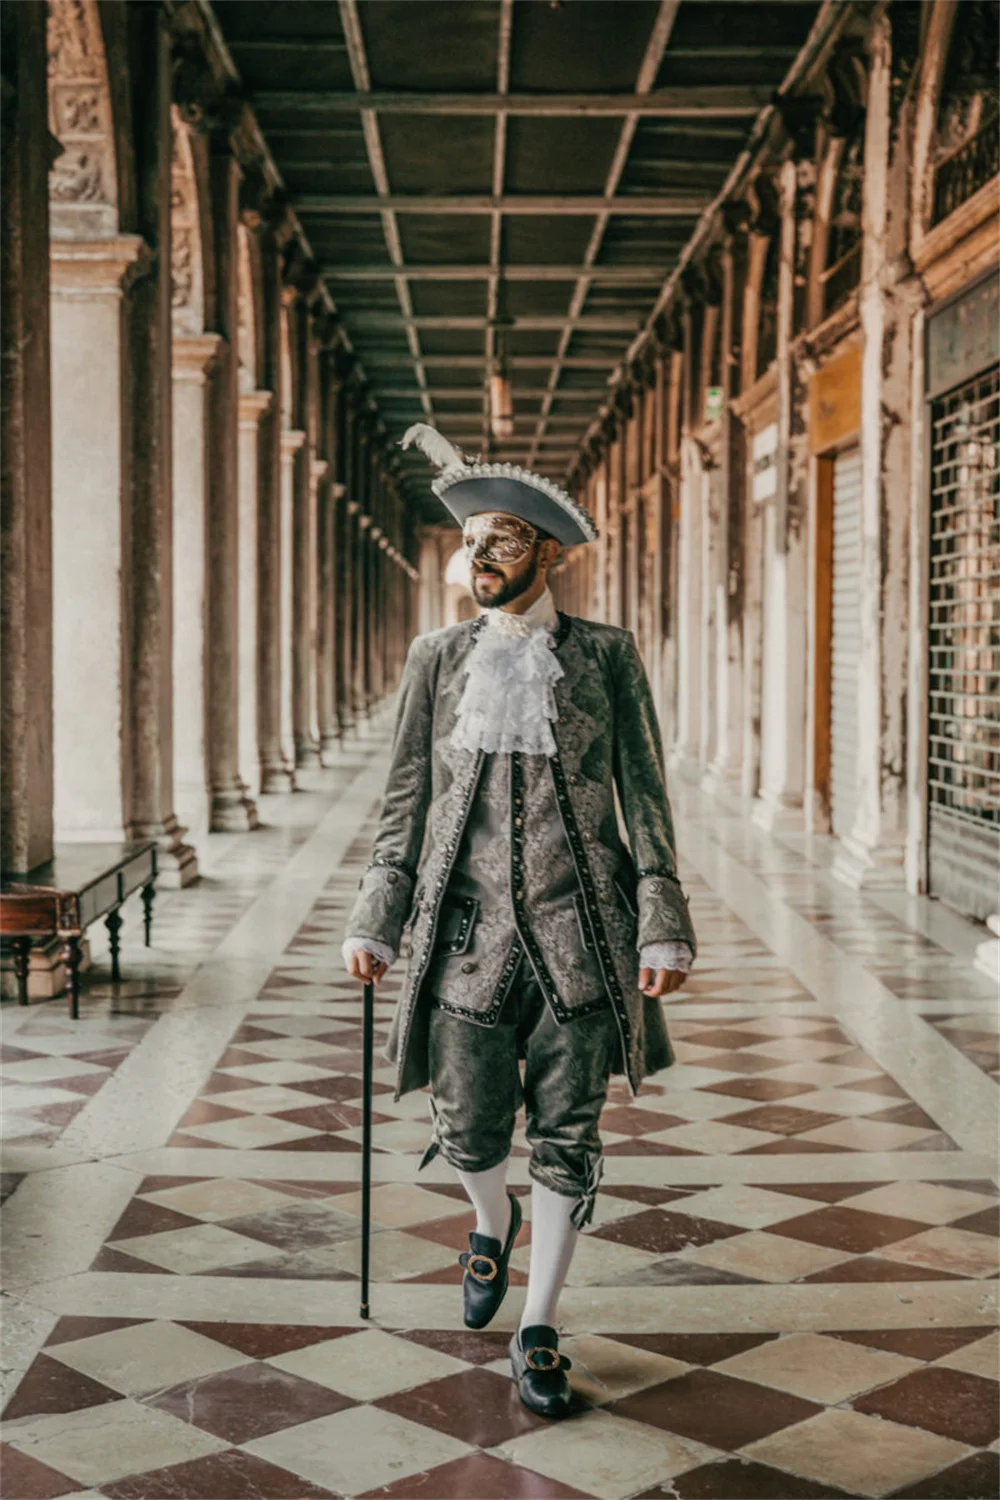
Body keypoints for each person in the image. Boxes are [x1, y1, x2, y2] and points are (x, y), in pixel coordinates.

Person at [343, 424, 695, 1418]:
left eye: (499, 541)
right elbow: (405, 798)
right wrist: (376, 916)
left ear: (549, 553)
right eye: (471, 544)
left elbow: (645, 795)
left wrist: (661, 919)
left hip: (582, 941)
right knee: (467, 1133)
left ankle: (539, 1327)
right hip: (461, 941)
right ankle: (489, 1221)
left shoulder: (607, 656)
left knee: (570, 1138)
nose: (479, 558)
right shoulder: (435, 657)